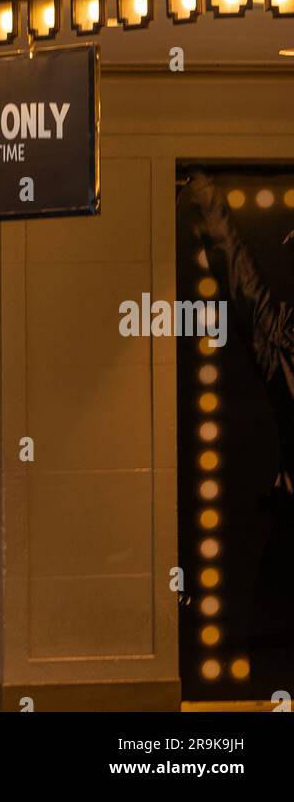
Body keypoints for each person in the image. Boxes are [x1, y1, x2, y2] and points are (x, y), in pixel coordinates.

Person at [181, 170, 294, 682]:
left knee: (272, 655)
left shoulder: (282, 340)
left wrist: (205, 199)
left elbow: (244, 286)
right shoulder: (283, 340)